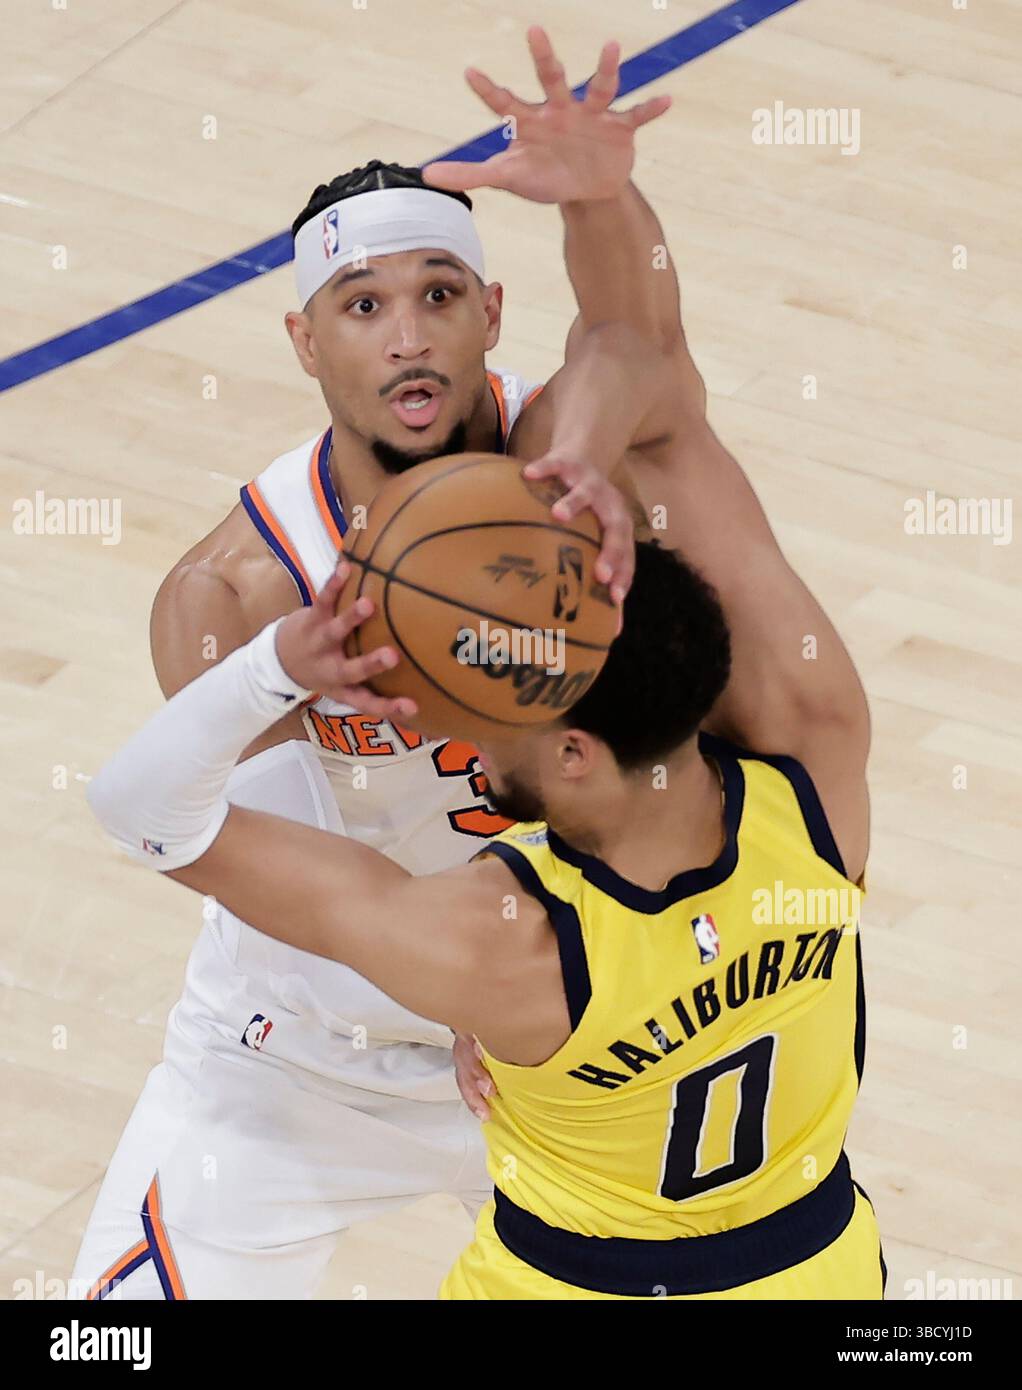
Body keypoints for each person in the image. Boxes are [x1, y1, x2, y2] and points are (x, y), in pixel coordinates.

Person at [71, 29, 704, 1299]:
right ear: (305, 341)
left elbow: (635, 337)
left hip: (569, 1024)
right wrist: (281, 672)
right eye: (362, 307)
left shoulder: (564, 454)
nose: (406, 337)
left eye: (436, 294)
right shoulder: (234, 592)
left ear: (489, 312)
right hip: (302, 1057)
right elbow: (217, 841)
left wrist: (599, 188)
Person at [87, 313, 883, 1300]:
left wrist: (272, 670)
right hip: (819, 1270)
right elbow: (655, 373)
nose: (459, 737)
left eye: (492, 716)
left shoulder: (503, 950)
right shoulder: (813, 796)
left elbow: (144, 813)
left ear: (575, 752)